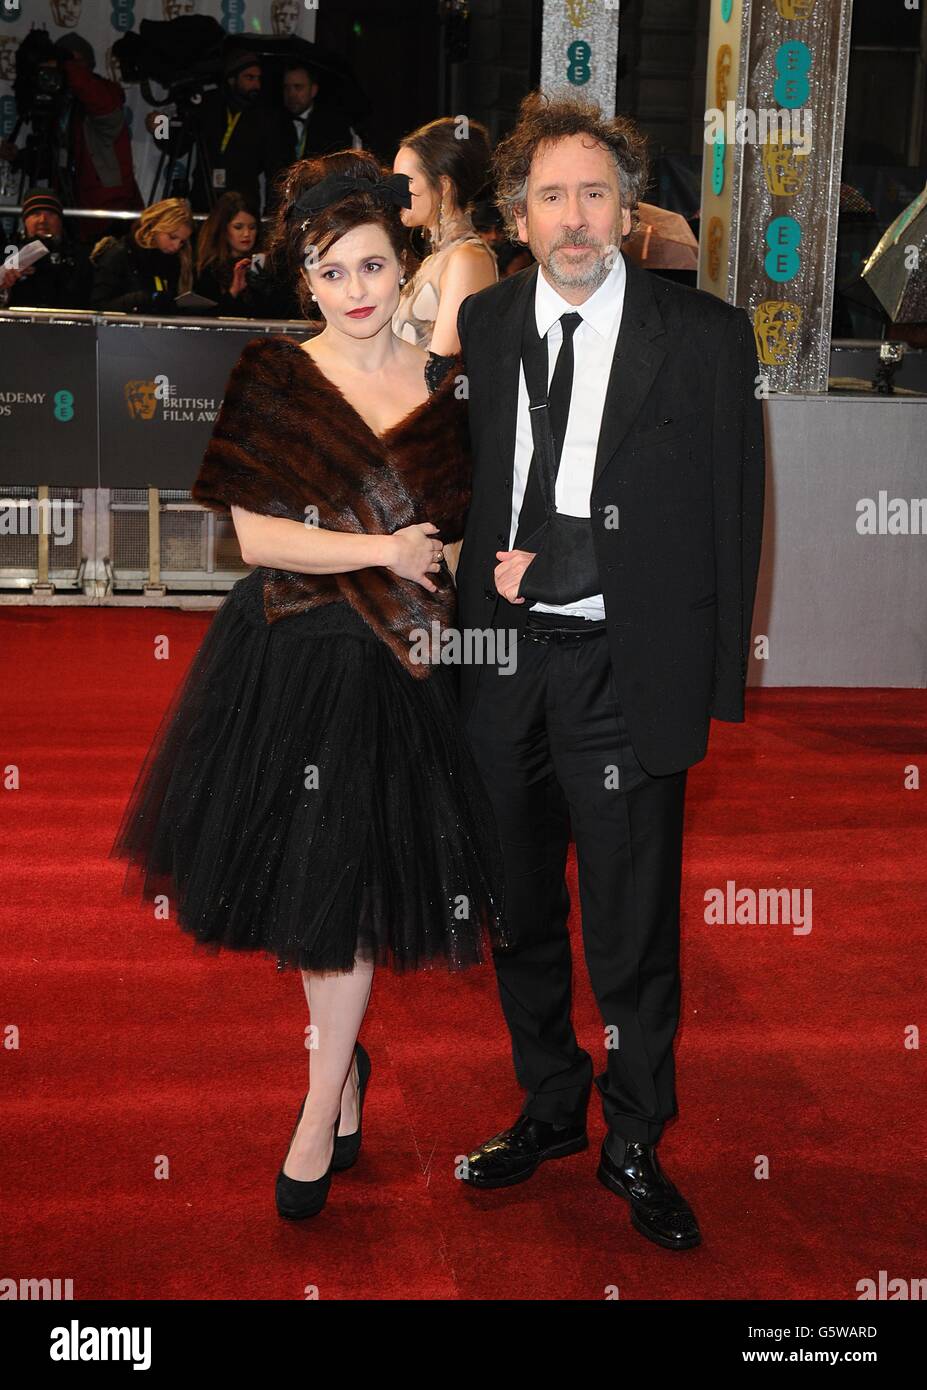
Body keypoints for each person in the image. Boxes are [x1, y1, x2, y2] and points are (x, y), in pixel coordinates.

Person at [108, 150, 509, 1223]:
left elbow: (465, 533)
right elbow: (254, 533)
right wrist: (380, 553)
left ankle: (322, 1092)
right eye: (332, 273)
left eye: (373, 265)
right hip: (290, 653)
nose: (357, 290)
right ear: (308, 281)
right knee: (310, 890)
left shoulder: (448, 385)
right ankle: (336, 1076)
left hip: (403, 671)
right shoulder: (274, 375)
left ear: (404, 261)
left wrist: (474, 586)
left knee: (352, 896)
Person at [454, 90, 766, 1251]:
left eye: (595, 194)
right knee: (519, 906)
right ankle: (550, 1101)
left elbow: (725, 516)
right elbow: (472, 489)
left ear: (629, 211)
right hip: (501, 667)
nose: (574, 218)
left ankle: (635, 1134)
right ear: (517, 216)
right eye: (550, 197)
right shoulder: (485, 324)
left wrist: (707, 682)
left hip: (624, 669)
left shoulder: (706, 337)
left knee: (629, 930)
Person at [0, 33, 141, 237]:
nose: (66, 68)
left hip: (109, 217)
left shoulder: (105, 99)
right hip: (72, 215)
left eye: (73, 62)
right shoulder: (59, 107)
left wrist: (63, 63)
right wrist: (18, 157)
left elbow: (100, 101)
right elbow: (51, 162)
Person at [392, 116, 498, 357]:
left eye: (405, 181)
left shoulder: (468, 259)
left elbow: (442, 370)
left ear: (443, 186)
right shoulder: (437, 259)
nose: (395, 192)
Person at [145, 50, 270, 215]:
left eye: (259, 79)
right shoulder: (208, 103)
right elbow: (178, 145)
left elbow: (273, 168)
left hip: (244, 207)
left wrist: (273, 214)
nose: (256, 85)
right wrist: (159, 128)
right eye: (249, 77)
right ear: (232, 79)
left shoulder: (265, 115)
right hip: (204, 203)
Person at [265, 62, 356, 201]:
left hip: (321, 202)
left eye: (298, 87)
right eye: (286, 88)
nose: (291, 94)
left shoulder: (334, 125)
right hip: (281, 204)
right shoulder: (272, 123)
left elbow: (340, 170)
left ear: (313, 90)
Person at [90, 197, 193, 313]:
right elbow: (99, 307)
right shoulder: (118, 254)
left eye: (182, 242)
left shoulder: (173, 261)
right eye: (172, 237)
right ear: (155, 226)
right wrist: (142, 298)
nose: (176, 246)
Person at [0, 188, 92, 310]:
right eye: (36, 214)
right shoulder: (9, 251)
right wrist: (6, 287)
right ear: (25, 220)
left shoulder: (79, 254)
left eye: (50, 214)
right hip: (17, 325)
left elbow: (88, 301)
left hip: (65, 325)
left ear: (60, 220)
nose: (43, 220)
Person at [193, 190, 261, 316]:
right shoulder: (208, 269)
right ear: (223, 229)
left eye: (252, 227)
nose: (247, 234)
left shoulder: (264, 264)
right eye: (238, 227)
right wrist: (234, 291)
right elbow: (207, 320)